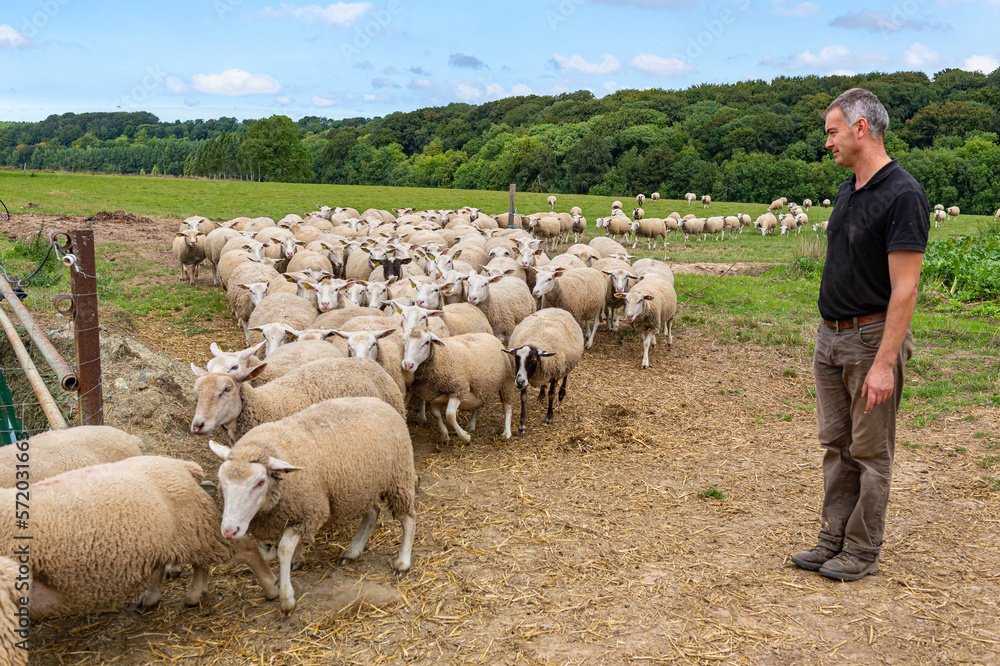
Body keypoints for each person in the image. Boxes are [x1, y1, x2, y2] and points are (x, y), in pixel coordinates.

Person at [792, 88, 929, 581]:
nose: (827, 142)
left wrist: (884, 363)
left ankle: (862, 549)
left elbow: (906, 288)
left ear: (860, 128)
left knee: (870, 451)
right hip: (830, 337)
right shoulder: (849, 189)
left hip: (871, 339)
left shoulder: (903, 194)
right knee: (837, 444)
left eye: (832, 132)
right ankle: (833, 537)